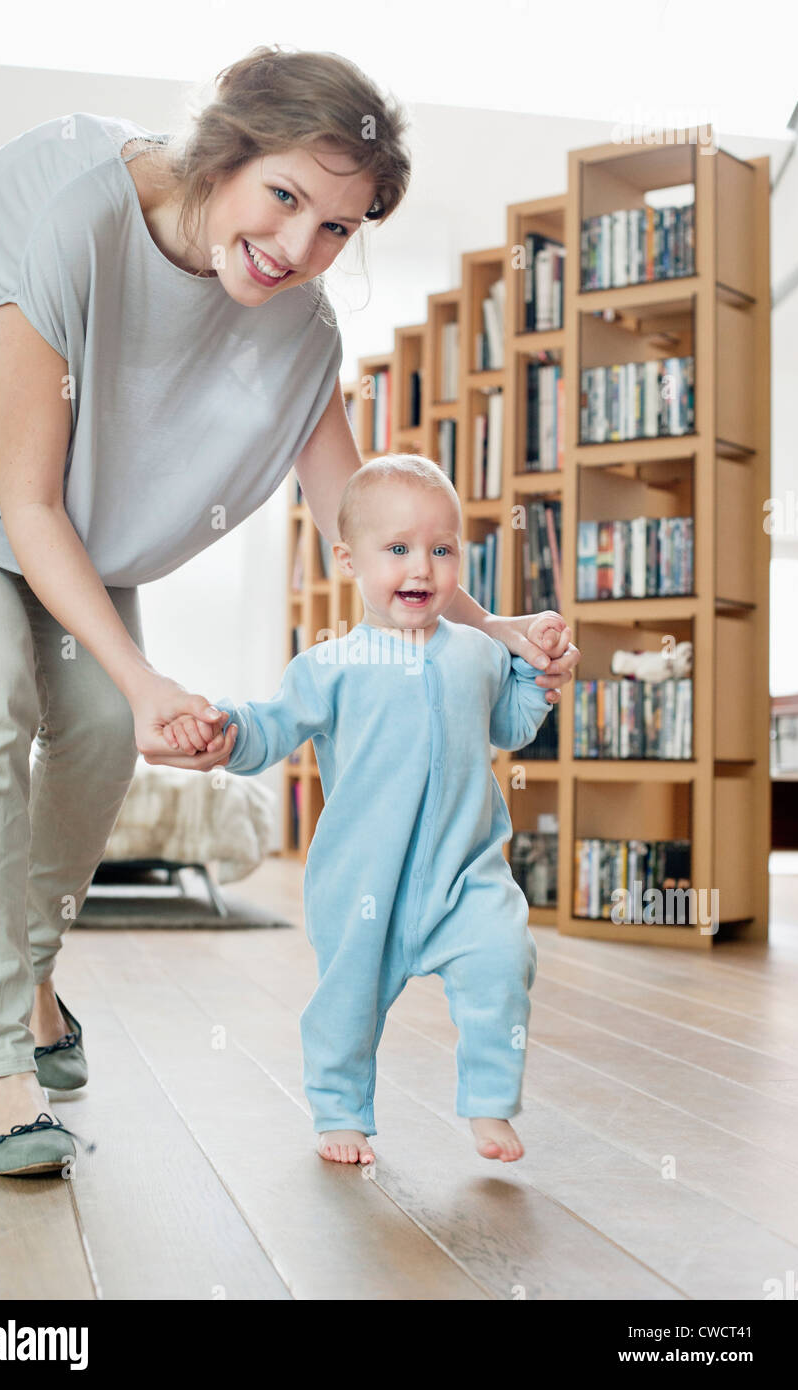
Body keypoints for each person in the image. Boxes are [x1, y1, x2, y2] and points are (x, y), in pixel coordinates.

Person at [0, 45, 577, 1178]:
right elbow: (22, 503)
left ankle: (31, 976)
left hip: (76, 533)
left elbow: (368, 526)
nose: (297, 247)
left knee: (90, 736)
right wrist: (143, 678)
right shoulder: (76, 219)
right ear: (224, 147)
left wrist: (497, 631)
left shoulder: (299, 329)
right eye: (283, 196)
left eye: (336, 226)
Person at [165, 455, 573, 1166]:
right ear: (348, 560)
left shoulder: (477, 653)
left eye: (441, 550)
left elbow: (508, 723)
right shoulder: (329, 666)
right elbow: (270, 728)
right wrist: (225, 728)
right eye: (398, 549)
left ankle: (488, 1101)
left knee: (505, 959)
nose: (421, 567)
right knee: (347, 1004)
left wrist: (540, 678)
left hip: (464, 876)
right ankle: (340, 1109)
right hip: (362, 884)